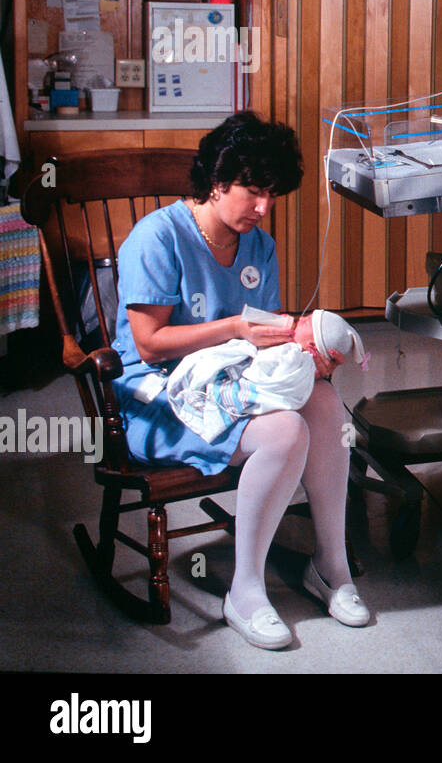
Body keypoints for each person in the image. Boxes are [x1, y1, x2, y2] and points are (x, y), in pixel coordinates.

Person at [111, 112, 369, 650]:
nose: (263, 208)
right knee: (284, 433)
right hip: (158, 397)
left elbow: (261, 341)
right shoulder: (157, 238)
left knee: (323, 404)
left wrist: (304, 351)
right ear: (216, 181)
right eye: (254, 192)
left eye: (272, 196)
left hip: (224, 382)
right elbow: (149, 345)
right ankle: (245, 591)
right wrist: (233, 328)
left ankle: (331, 565)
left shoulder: (259, 247)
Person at [166, 309, 369, 444]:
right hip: (164, 374)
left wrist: (309, 370)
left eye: (304, 322)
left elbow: (271, 375)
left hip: (251, 387)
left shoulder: (290, 355)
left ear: (312, 347)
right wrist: (237, 328)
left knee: (327, 399)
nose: (297, 319)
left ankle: (332, 510)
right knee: (288, 428)